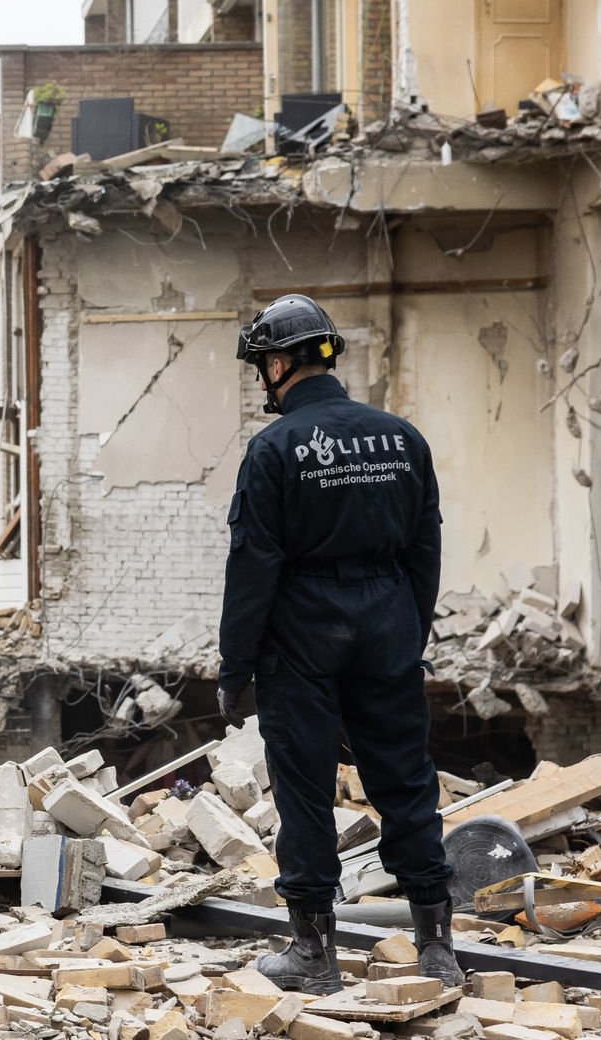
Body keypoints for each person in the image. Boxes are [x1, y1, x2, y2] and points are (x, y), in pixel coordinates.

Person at [217, 295, 462, 993]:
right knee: (406, 782)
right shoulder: (402, 439)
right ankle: (436, 948)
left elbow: (254, 565)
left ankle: (314, 956)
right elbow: (425, 547)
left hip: (304, 631)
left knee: (304, 789)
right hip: (388, 617)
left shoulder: (273, 450)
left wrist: (236, 665)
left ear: (279, 361)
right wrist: (406, 631)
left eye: (263, 363)